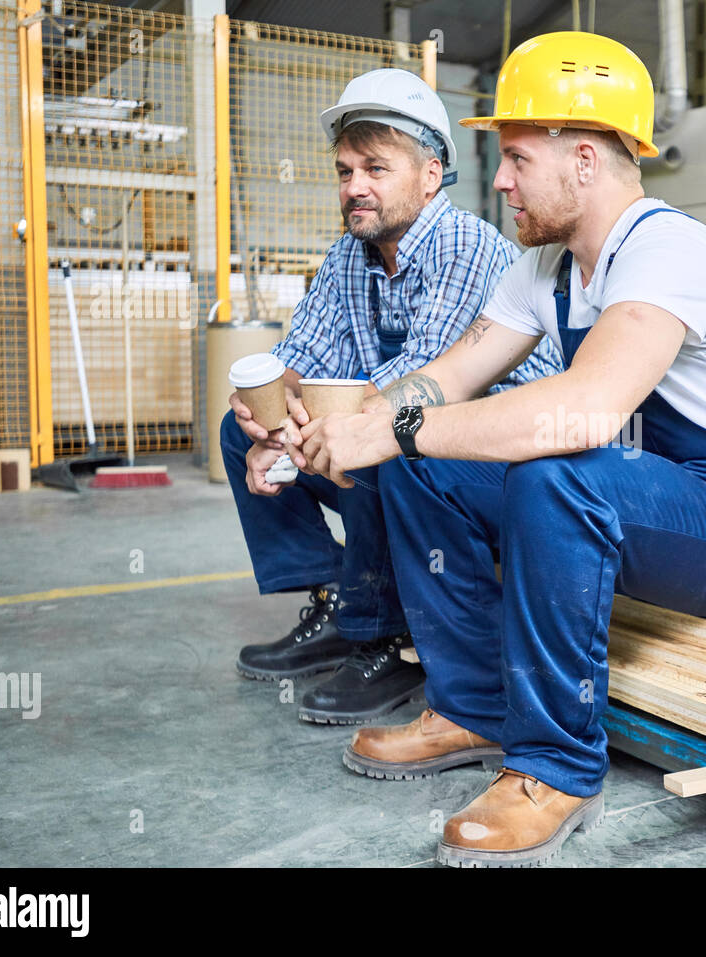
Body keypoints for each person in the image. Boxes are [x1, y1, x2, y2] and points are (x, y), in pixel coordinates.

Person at [279, 32, 706, 866]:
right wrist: (349, 425)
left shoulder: (669, 249)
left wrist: (395, 424)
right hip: (638, 488)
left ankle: (557, 766)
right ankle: (474, 706)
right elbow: (446, 381)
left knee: (556, 469)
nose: (498, 180)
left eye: (516, 157)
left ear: (586, 160)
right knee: (423, 459)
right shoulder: (548, 270)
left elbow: (587, 410)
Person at [224, 67, 560, 725]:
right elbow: (300, 361)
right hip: (399, 432)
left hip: (497, 466)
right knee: (240, 429)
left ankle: (382, 640)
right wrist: (269, 423)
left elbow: (423, 385)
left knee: (383, 441)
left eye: (376, 168)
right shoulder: (351, 254)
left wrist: (307, 426)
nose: (355, 188)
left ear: (431, 175)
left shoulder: (464, 244)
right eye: (346, 171)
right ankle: (338, 608)